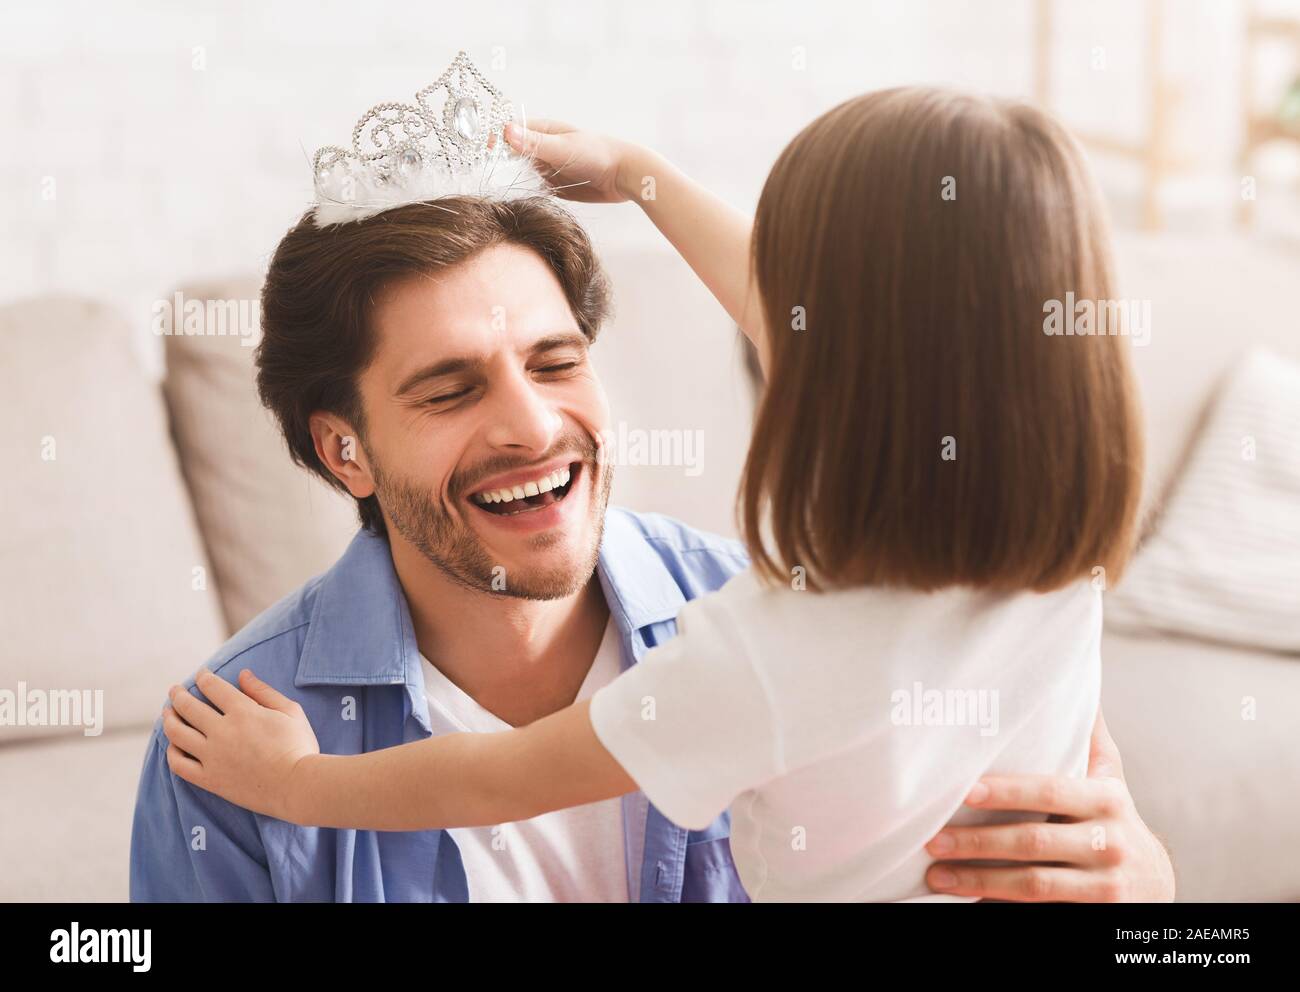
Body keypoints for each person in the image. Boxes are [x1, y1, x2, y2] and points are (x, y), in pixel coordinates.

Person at [158, 87, 1176, 901]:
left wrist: (1149, 896)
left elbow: (490, 780)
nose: (530, 426)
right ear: (344, 449)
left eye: (557, 361)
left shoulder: (750, 647)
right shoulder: (1058, 579)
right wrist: (641, 175)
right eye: (453, 387)